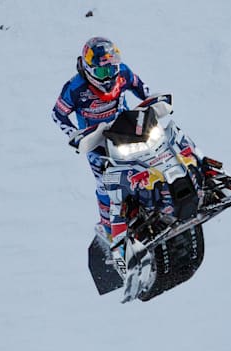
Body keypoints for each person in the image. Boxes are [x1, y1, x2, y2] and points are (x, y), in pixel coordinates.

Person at [52, 37, 152, 243]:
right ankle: (109, 227)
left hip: (126, 129)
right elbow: (57, 114)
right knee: (106, 184)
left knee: (153, 157)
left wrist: (153, 103)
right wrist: (74, 135)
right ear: (89, 69)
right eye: (101, 72)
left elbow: (142, 89)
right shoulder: (75, 88)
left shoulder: (122, 72)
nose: (108, 76)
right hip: (95, 140)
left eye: (112, 68)